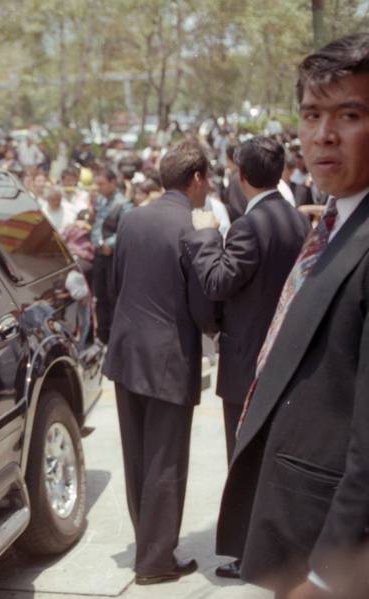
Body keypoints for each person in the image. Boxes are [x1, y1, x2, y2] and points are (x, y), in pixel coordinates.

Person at [217, 33, 369, 598]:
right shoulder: (332, 221)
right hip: (293, 521)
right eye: (311, 114)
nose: (323, 134)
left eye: (349, 114)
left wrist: (331, 575)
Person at [102, 139, 218, 586]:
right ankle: (155, 561)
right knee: (166, 461)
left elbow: (116, 285)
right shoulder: (194, 227)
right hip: (169, 356)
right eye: (206, 180)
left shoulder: (132, 220)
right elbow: (204, 306)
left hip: (128, 350)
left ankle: (148, 545)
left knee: (137, 457)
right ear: (195, 179)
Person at [181, 136, 309, 474]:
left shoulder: (248, 226)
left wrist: (207, 237)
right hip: (288, 358)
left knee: (244, 465)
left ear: (241, 176)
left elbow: (217, 283)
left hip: (247, 364)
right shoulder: (298, 220)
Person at [90, 168, 132, 344]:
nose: (99, 187)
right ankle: (102, 334)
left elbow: (126, 231)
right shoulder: (100, 201)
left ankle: (116, 337)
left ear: (113, 182)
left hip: (113, 258)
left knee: (113, 295)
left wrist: (110, 245)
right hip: (99, 255)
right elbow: (96, 226)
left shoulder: (123, 204)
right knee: (100, 296)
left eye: (102, 184)